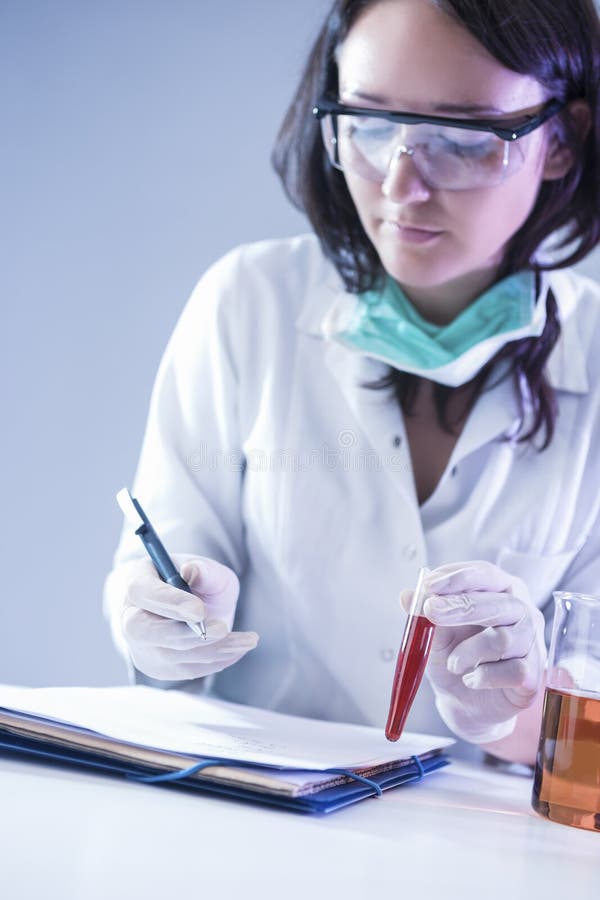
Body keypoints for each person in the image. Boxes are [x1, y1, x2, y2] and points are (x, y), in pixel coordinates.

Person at [104, 0, 600, 765]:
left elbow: (585, 726)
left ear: (562, 140)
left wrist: (511, 703)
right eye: (369, 124)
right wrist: (157, 618)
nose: (403, 186)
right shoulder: (249, 303)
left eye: (463, 138)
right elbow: (166, 557)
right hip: (251, 820)